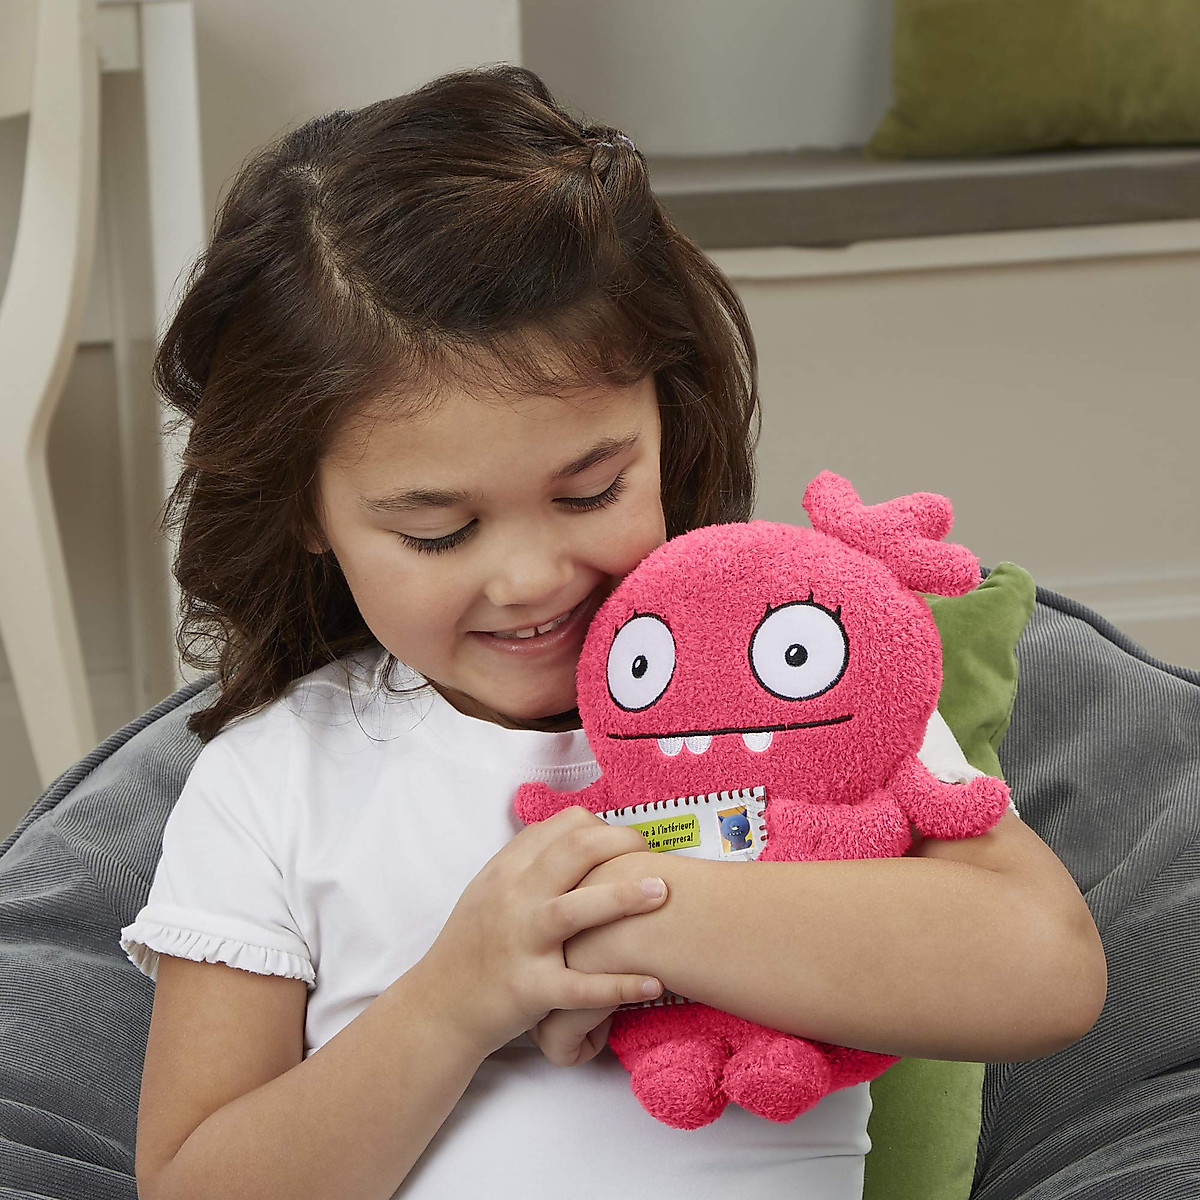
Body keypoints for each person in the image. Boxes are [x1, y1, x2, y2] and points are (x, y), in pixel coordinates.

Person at [118, 64, 1106, 1200]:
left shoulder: (793, 675)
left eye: (590, 491)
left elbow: (1044, 971)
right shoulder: (278, 782)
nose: (532, 578)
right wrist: (458, 997)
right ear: (306, 511)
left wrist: (627, 921)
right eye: (439, 531)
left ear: (668, 423)